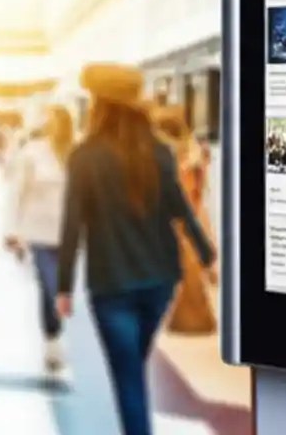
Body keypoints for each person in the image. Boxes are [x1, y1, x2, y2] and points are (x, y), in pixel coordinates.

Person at [56, 64, 216, 435]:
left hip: (112, 285)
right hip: (160, 282)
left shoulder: (84, 157)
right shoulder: (158, 152)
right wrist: (207, 255)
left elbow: (71, 225)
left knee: (128, 378)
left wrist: (63, 286)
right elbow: (180, 209)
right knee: (132, 369)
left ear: (98, 107)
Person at [6, 104, 73, 374]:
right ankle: (53, 339)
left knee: (54, 291)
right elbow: (16, 192)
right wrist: (12, 230)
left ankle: (52, 339)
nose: (51, 125)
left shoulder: (75, 153)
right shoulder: (32, 153)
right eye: (48, 120)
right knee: (51, 285)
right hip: (38, 233)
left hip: (68, 234)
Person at [153, 108, 219, 335]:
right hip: (189, 215)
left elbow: (186, 189)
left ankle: (194, 321)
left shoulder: (184, 157)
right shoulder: (191, 152)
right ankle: (188, 319)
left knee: (188, 270)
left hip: (184, 218)